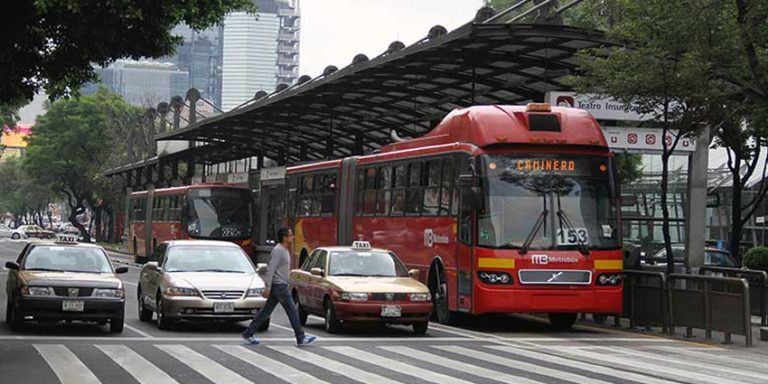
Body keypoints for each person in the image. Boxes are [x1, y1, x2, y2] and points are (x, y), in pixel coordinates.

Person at [242, 227, 316, 346]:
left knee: (265, 312)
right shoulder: (279, 250)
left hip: (280, 285)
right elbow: (271, 268)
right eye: (290, 235)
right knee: (292, 310)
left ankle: (248, 333)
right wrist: (268, 286)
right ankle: (301, 337)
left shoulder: (285, 250)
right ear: (284, 237)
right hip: (279, 286)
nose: (293, 237)